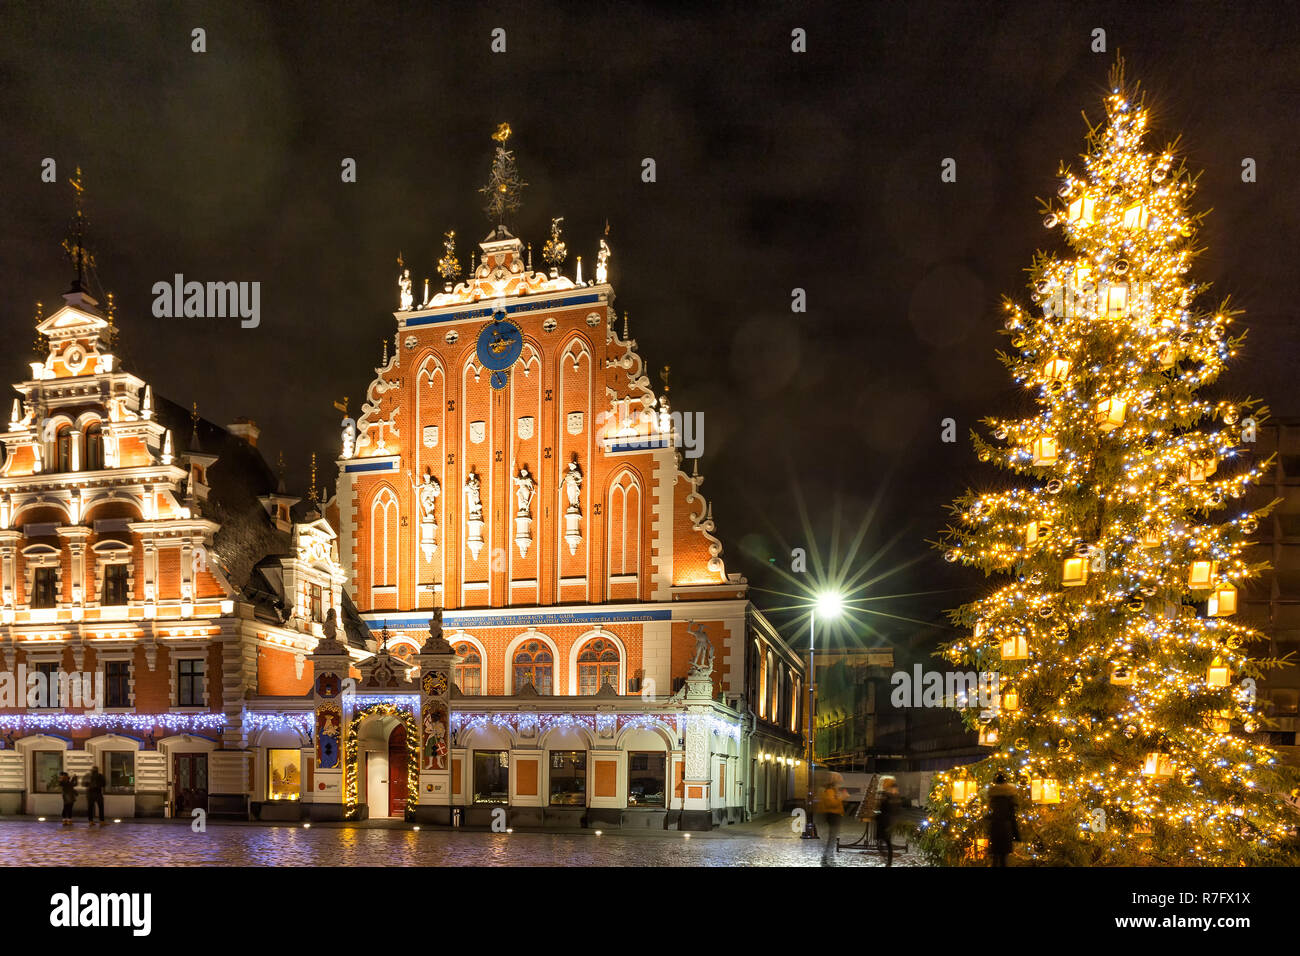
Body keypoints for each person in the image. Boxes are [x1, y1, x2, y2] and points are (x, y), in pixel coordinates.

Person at [986, 772, 1021, 866]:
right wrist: (1016, 835)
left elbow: (989, 815)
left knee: (995, 856)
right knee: (1003, 858)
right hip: (1006, 828)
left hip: (995, 828)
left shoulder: (992, 798)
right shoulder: (1009, 798)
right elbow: (1012, 817)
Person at [816, 772, 847, 865]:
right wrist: (842, 797)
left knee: (831, 840)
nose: (840, 783)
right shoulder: (829, 791)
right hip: (832, 816)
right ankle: (826, 860)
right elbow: (831, 804)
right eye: (838, 781)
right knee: (831, 840)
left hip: (834, 816)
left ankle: (827, 859)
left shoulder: (832, 790)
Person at [875, 776, 902, 866]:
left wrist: (876, 812)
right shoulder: (892, 794)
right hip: (887, 821)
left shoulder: (888, 795)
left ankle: (888, 861)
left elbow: (883, 808)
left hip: (885, 821)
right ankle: (888, 861)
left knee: (884, 842)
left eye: (883, 782)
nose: (882, 784)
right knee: (884, 842)